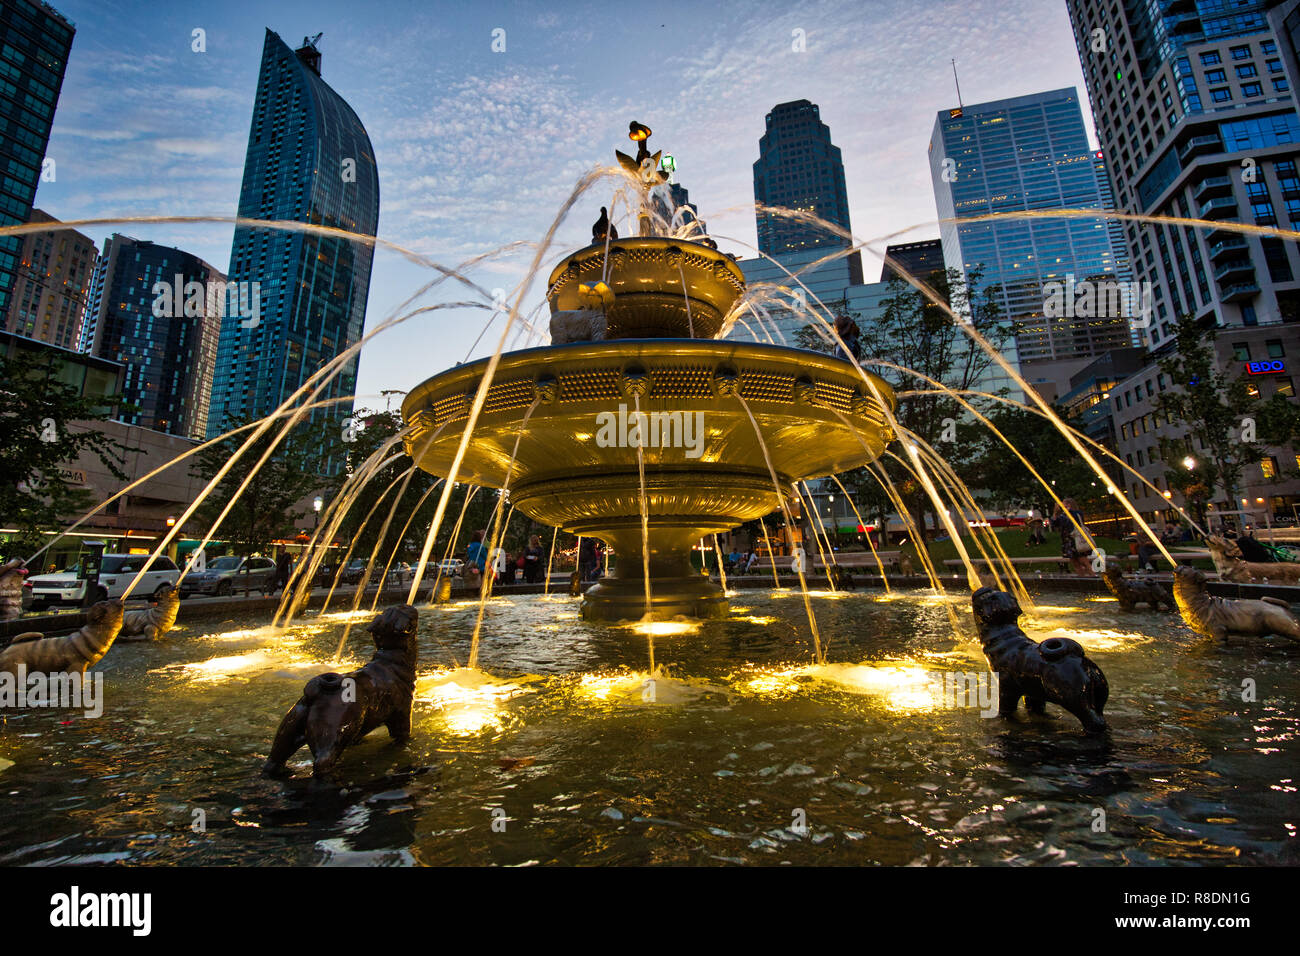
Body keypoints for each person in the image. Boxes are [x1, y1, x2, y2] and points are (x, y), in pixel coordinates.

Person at [1051, 498, 1093, 577]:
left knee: (1083, 560)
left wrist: (1066, 511)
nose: (1061, 506)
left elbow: (1075, 519)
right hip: (1068, 541)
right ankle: (1082, 578)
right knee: (1075, 562)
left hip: (1077, 539)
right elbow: (1055, 523)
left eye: (1063, 504)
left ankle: (1093, 576)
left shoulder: (1077, 513)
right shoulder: (1063, 515)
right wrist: (1055, 513)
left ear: (1069, 504)